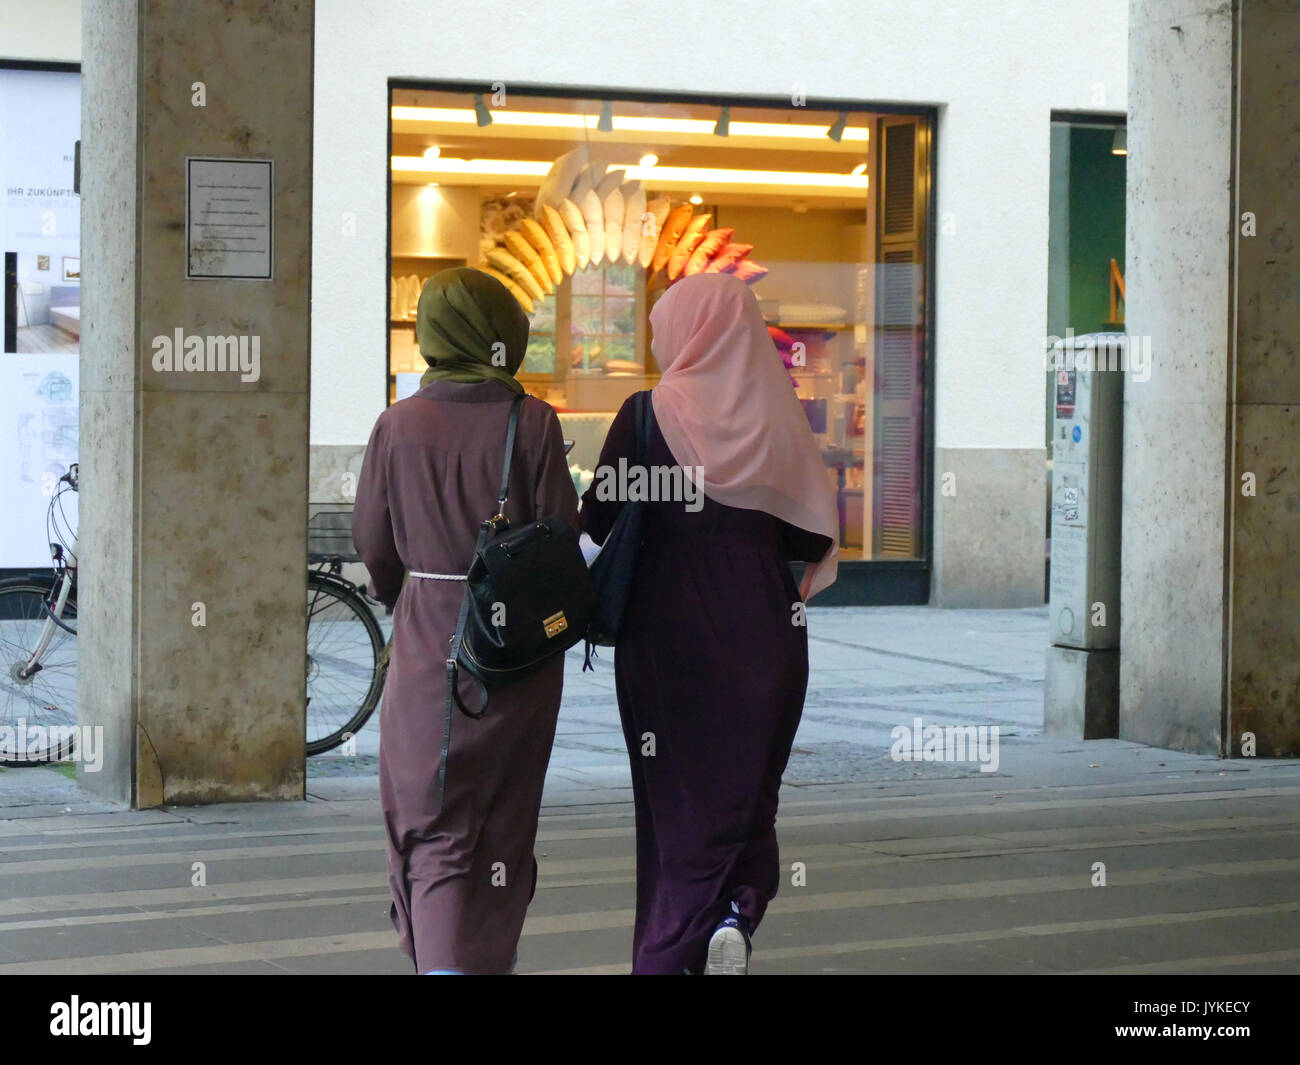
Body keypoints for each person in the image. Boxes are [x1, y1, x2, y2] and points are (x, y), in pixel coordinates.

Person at [580, 272, 838, 975]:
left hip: (664, 633)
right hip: (762, 624)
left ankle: (670, 947)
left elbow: (595, 524)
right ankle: (733, 911)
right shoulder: (776, 417)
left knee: (674, 794)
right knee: (749, 785)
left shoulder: (642, 415)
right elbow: (813, 539)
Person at [352, 268, 577, 975]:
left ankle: (443, 963)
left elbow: (373, 540)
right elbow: (563, 535)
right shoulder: (532, 420)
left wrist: (411, 594)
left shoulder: (397, 424)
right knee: (505, 821)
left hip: (429, 639)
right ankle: (486, 957)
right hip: (519, 655)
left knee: (430, 814)